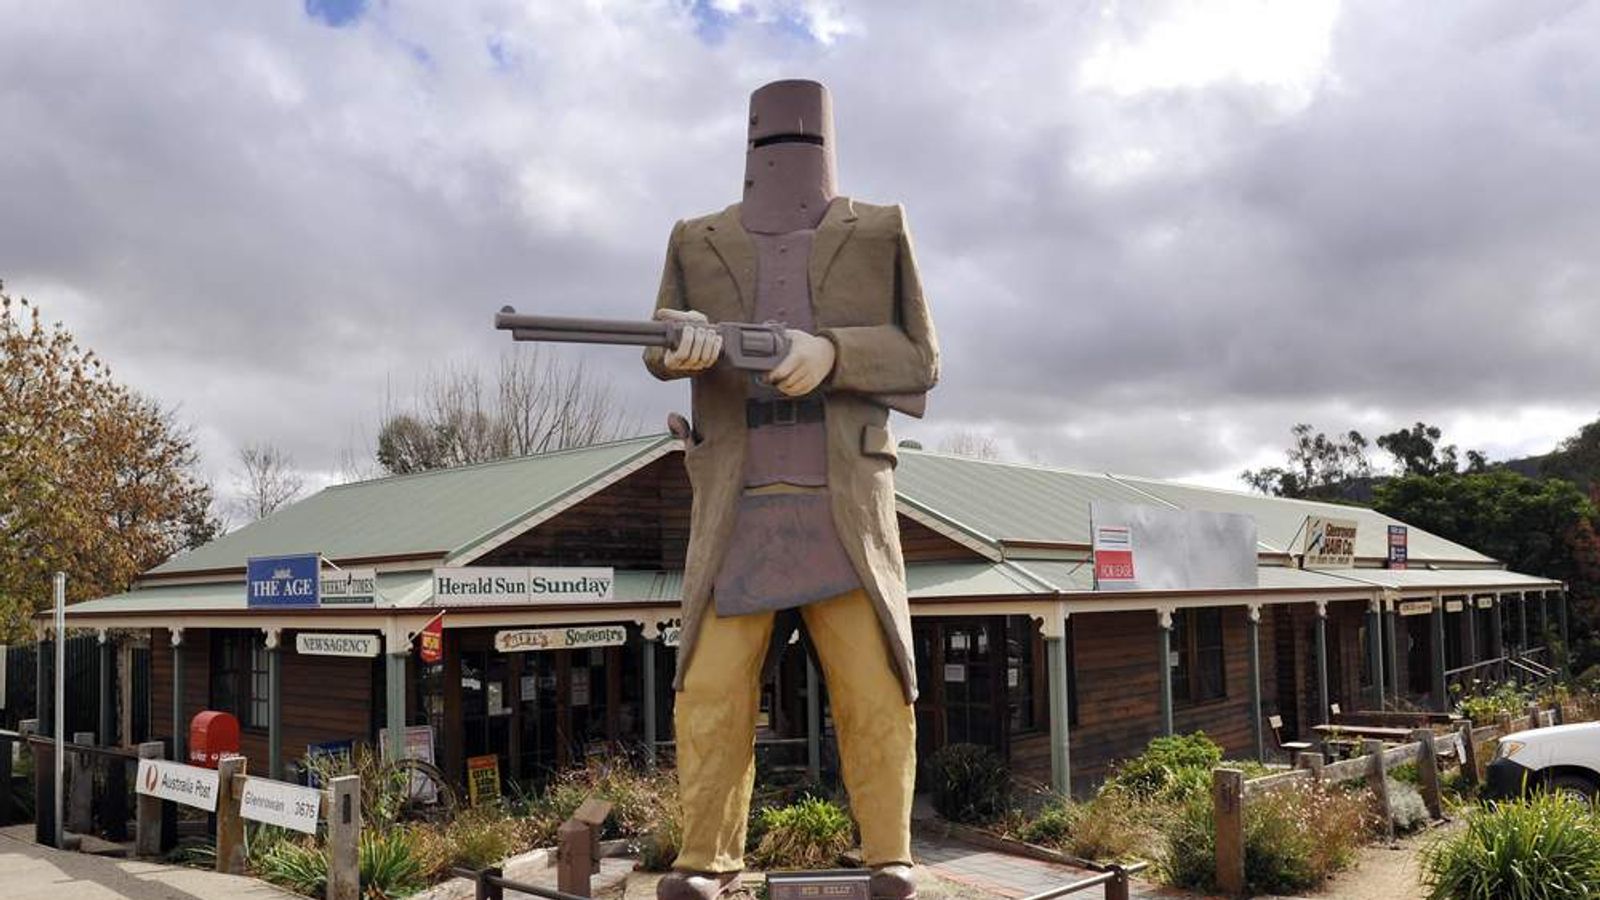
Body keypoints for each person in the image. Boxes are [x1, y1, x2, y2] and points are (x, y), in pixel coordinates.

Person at [644, 79, 938, 900]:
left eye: (797, 143)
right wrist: (683, 351)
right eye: (772, 145)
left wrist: (833, 353)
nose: (784, 158)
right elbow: (657, 341)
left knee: (875, 686)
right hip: (737, 507)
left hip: (841, 505)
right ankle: (703, 857)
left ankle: (889, 854)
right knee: (707, 689)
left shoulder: (880, 228)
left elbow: (922, 358)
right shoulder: (695, 239)